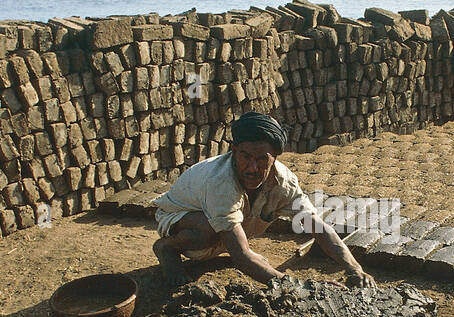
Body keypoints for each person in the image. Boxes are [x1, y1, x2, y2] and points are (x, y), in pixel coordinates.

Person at [152, 112, 376, 289]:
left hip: (224, 224)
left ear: (275, 158)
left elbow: (317, 226)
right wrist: (296, 286)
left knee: (241, 242)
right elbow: (241, 257)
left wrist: (354, 268)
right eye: (245, 157)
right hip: (179, 219)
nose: (252, 168)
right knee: (211, 230)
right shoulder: (220, 182)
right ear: (234, 151)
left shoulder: (284, 182)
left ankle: (229, 246)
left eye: (261, 160)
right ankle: (167, 247)